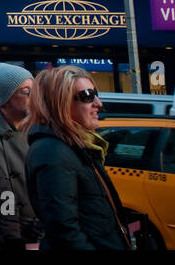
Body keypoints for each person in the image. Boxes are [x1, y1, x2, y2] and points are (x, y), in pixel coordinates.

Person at [26, 65, 131, 250]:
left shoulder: (77, 145)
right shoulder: (52, 152)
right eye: (87, 96)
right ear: (61, 103)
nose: (99, 103)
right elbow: (64, 232)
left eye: (95, 94)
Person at [0, 62, 39, 247]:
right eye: (26, 91)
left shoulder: (40, 130)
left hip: (37, 235)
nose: (34, 97)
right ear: (6, 97)